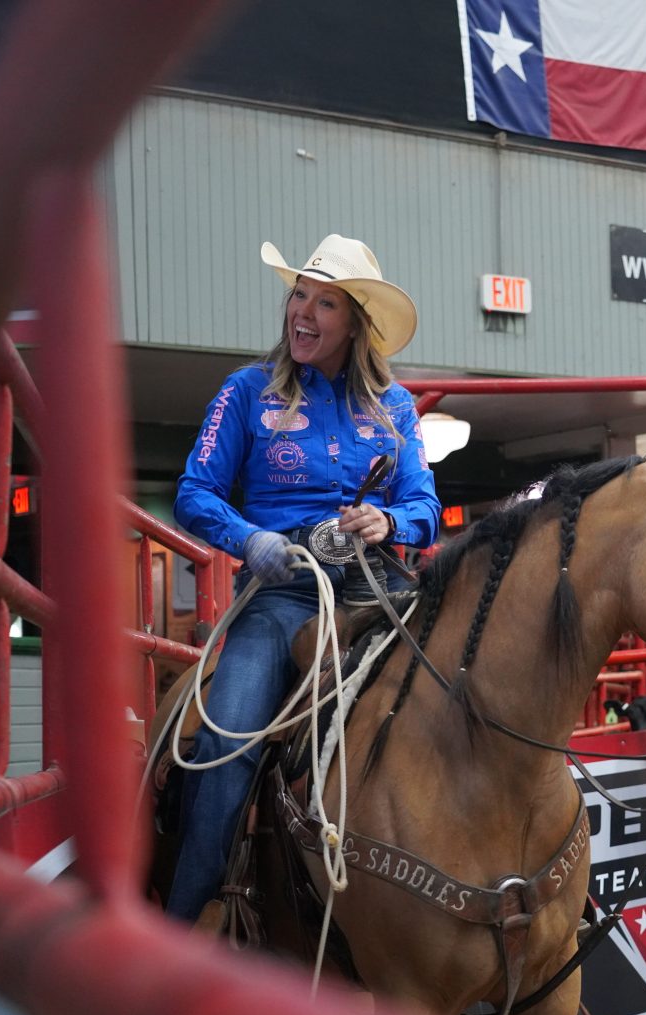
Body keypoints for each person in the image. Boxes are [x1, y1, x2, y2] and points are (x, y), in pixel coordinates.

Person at [168, 233, 441, 921]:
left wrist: (390, 521)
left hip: (380, 592)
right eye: (299, 295)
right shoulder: (246, 391)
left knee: (466, 693)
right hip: (282, 592)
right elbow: (194, 492)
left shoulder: (394, 405)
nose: (303, 312)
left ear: (355, 322)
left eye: (324, 302)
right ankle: (186, 923)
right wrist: (249, 539)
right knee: (227, 742)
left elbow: (425, 507)